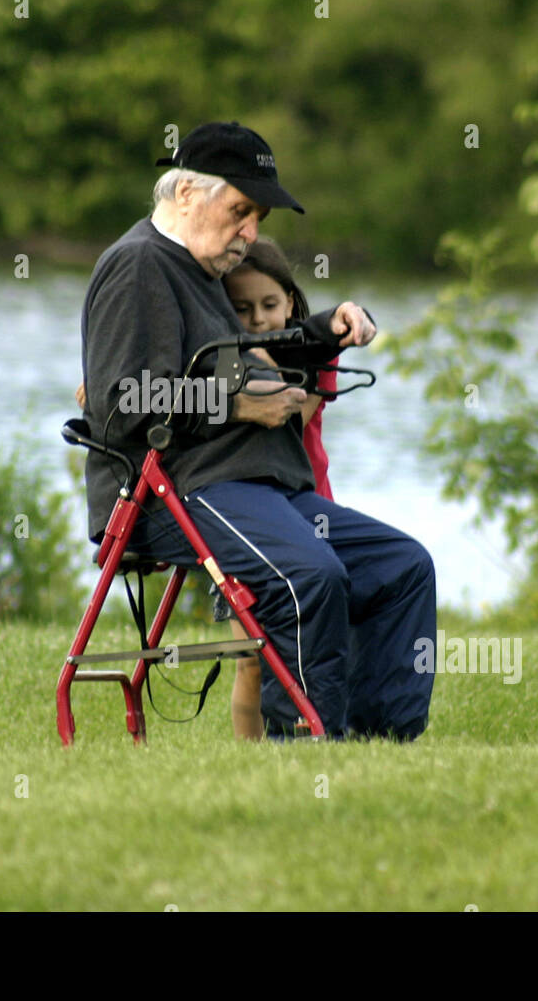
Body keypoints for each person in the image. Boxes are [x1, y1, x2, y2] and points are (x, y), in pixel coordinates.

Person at [80, 121, 435, 741]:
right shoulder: (138, 267)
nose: (251, 233)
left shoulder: (202, 268)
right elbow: (120, 401)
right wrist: (241, 407)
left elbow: (243, 352)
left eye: (259, 218)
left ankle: (381, 747)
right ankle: (301, 744)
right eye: (241, 210)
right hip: (172, 492)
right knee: (311, 575)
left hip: (254, 487)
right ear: (186, 194)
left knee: (404, 567)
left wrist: (326, 331)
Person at [215, 238, 337, 739]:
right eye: (241, 309)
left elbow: (285, 421)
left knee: (312, 645)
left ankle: (319, 733)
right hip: (240, 519)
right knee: (252, 656)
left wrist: (260, 365)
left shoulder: (315, 359)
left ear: (290, 302)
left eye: (270, 305)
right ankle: (250, 759)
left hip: (308, 514)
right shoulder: (215, 361)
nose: (259, 318)